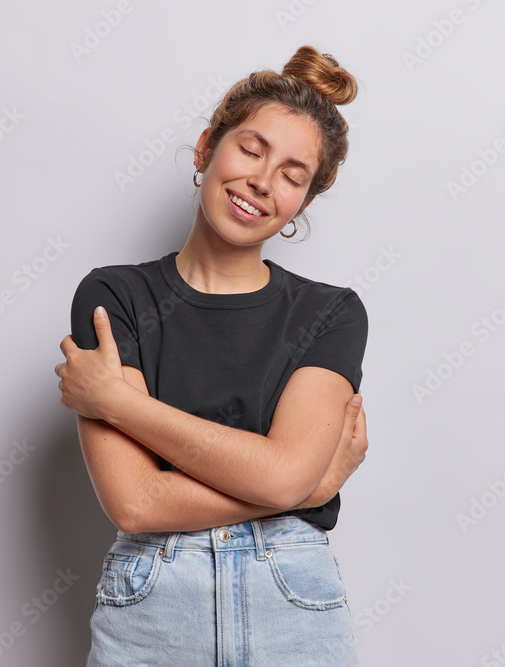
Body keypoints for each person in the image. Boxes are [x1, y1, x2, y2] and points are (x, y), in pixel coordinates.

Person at [56, 45, 370, 666]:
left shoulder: (330, 312)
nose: (261, 180)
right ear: (206, 149)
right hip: (153, 603)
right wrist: (304, 490)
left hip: (290, 598)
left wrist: (118, 402)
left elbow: (281, 473)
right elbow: (137, 503)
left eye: (292, 174)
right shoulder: (114, 295)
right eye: (251, 149)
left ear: (300, 206)